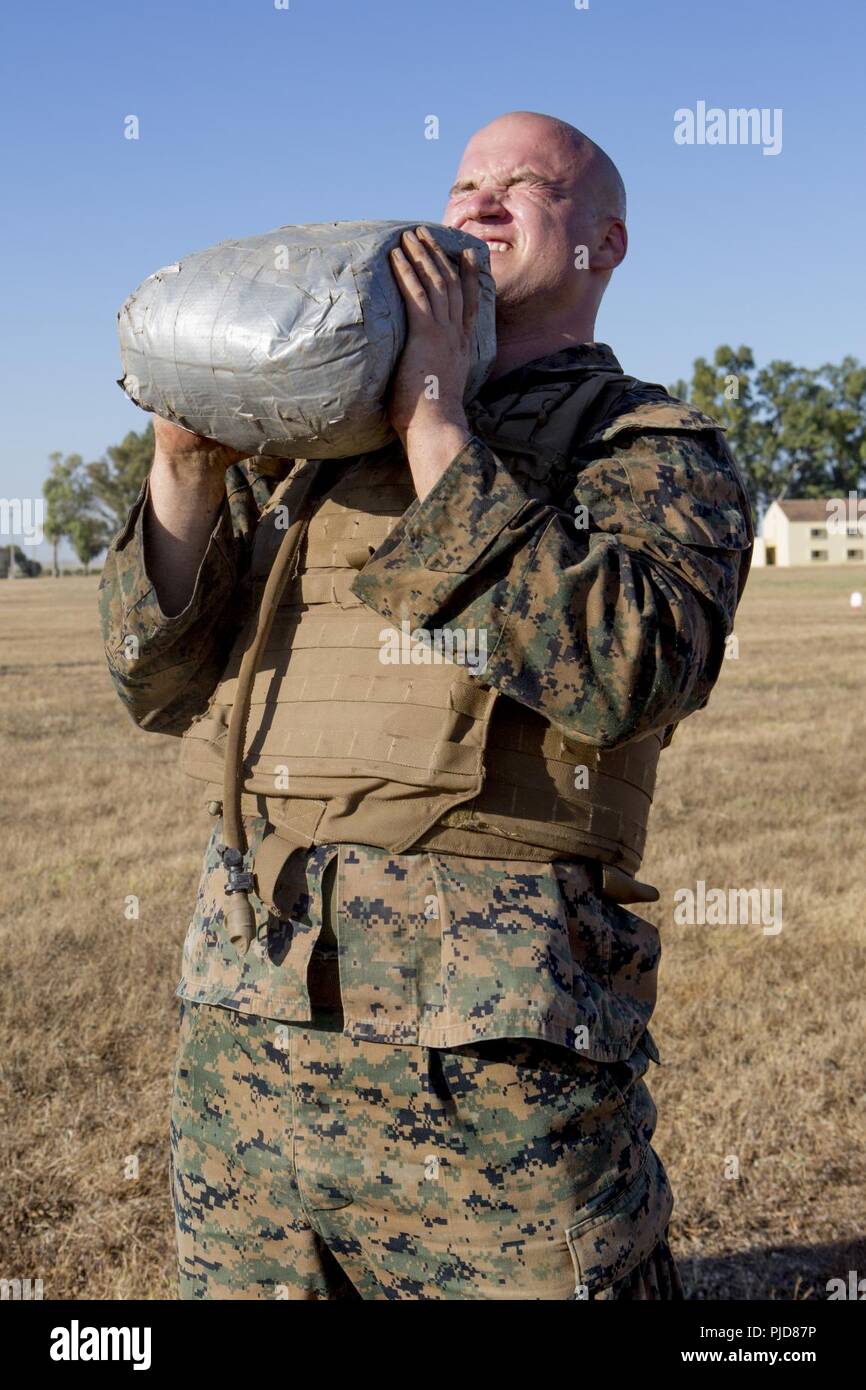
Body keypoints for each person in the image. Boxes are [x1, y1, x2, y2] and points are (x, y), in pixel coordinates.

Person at [99, 110, 753, 1300]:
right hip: (250, 1040)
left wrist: (436, 426)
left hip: (488, 1066)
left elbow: (623, 674)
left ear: (604, 244)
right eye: (462, 185)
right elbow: (154, 677)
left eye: (524, 186)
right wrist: (183, 467)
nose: (478, 205)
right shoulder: (312, 453)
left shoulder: (646, 448)